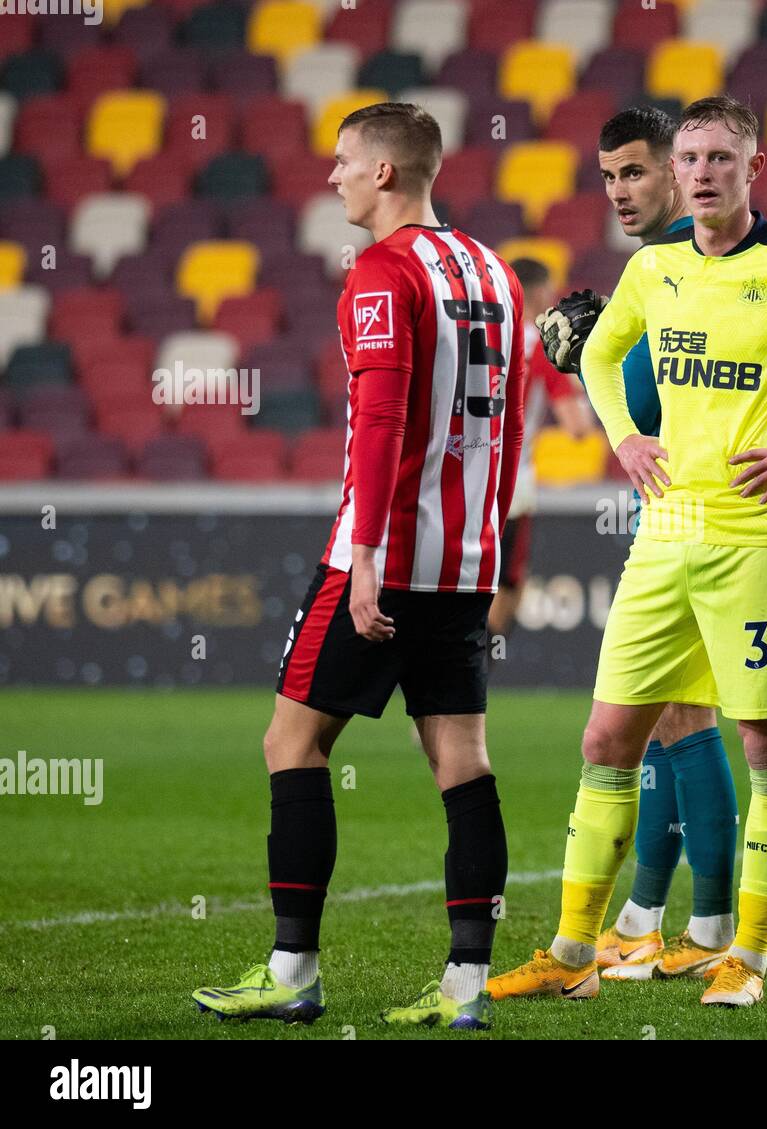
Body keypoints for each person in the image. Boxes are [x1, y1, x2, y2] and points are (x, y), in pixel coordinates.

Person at [489, 95, 767, 1007]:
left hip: (757, 541)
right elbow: (598, 352)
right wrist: (621, 435)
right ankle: (575, 948)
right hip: (661, 540)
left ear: (751, 168)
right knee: (607, 738)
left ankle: (745, 954)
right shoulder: (652, 266)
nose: (699, 174)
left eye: (717, 159)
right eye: (689, 159)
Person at [191, 102, 527, 1031]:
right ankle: (466, 990)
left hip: (379, 558)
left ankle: (292, 970)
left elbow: (379, 425)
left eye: (343, 163)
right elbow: (511, 429)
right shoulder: (495, 272)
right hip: (464, 559)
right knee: (463, 762)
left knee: (291, 745)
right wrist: (485, 549)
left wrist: (369, 557)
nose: (332, 176)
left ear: (385, 174)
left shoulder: (381, 273)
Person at [539, 107, 741, 982]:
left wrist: (596, 359)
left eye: (634, 171)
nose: (619, 190)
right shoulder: (653, 268)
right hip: (674, 515)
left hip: (713, 519)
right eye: (607, 174)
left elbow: (657, 408)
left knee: (682, 719)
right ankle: (646, 916)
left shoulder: (689, 268)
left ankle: (708, 927)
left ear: (678, 171)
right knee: (662, 720)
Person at [490, 257, 594, 644]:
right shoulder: (542, 346)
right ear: (536, 294)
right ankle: (476, 671)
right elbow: (578, 427)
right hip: (511, 483)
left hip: (460, 477)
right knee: (510, 583)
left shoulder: (474, 334)